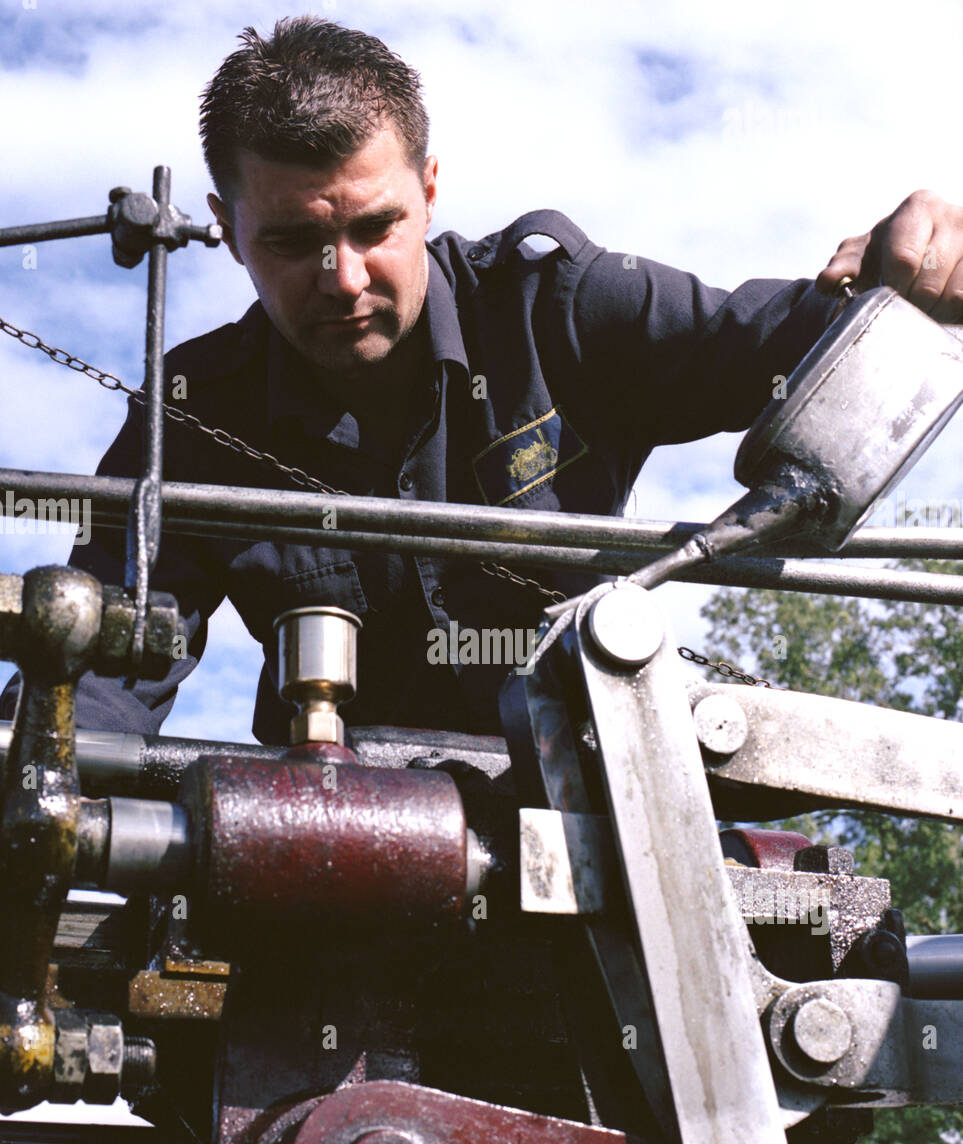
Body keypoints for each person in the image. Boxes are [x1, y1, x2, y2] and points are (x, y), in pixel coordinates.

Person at [4, 17, 963, 739]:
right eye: (294, 241)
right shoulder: (193, 413)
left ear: (428, 189)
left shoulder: (561, 307)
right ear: (225, 223)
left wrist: (897, 282)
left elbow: (771, 346)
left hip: (597, 815)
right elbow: (100, 663)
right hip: (323, 858)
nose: (342, 278)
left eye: (374, 227)